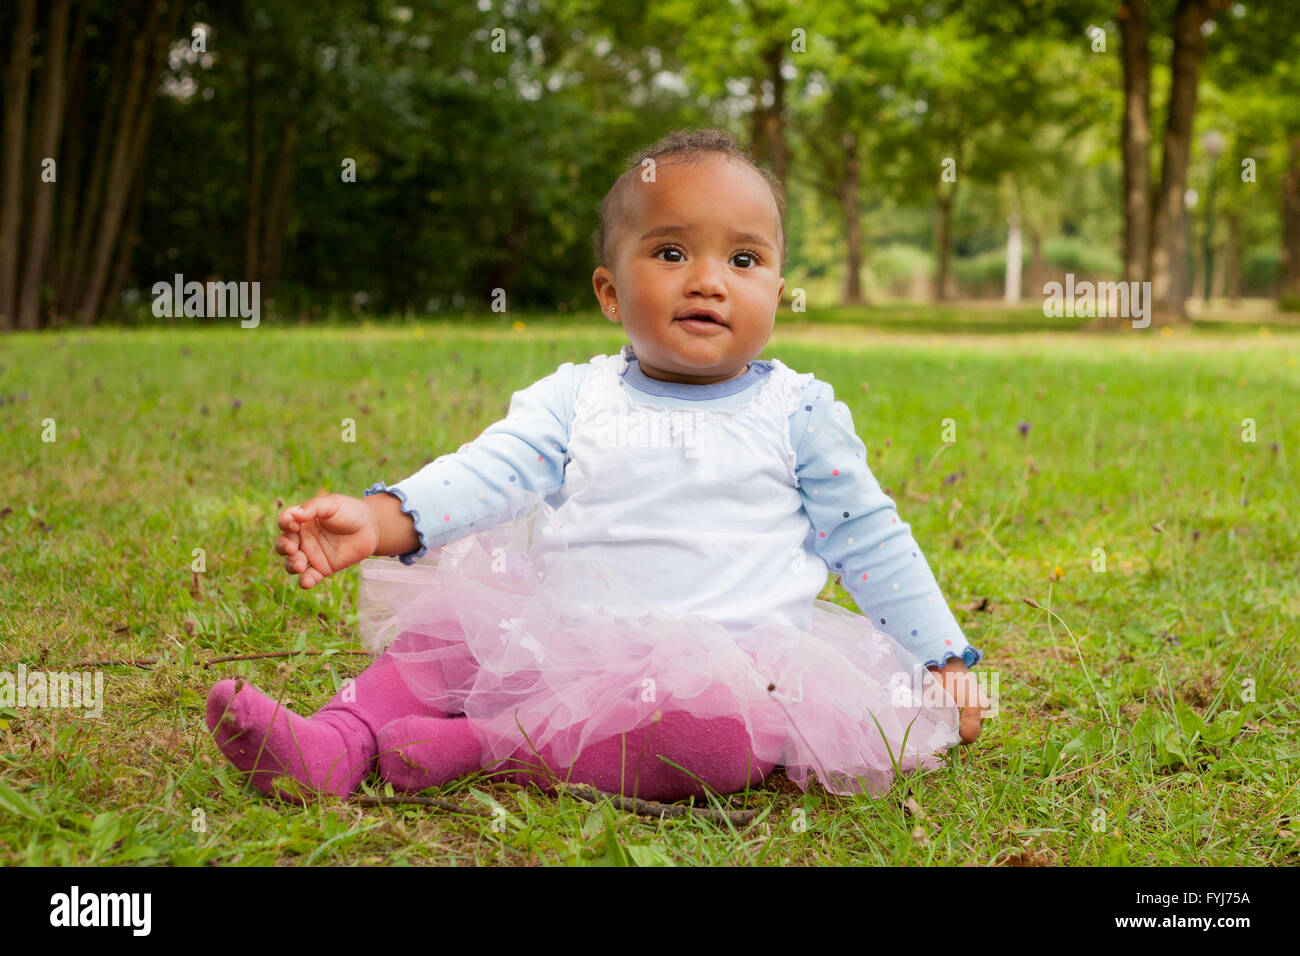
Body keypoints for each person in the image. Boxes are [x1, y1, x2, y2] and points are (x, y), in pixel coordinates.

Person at [205, 127, 989, 805]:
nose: (709, 279)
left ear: (778, 292)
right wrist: (378, 520)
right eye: (672, 251)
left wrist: (943, 656)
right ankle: (334, 743)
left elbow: (871, 540)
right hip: (564, 644)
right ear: (611, 293)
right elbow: (486, 472)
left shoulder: (798, 413)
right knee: (441, 641)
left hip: (735, 673)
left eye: (744, 259)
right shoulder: (578, 396)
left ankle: (490, 748)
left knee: (713, 741)